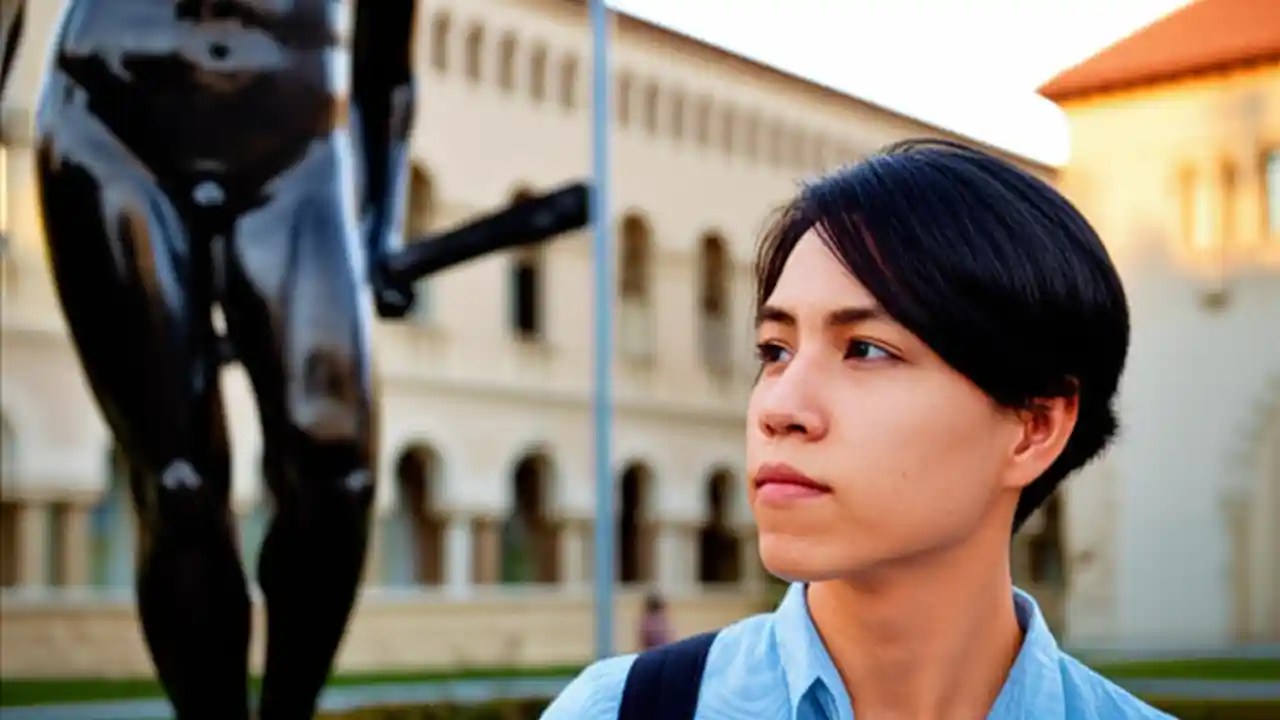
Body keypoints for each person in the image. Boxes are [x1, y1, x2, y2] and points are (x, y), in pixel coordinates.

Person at [542, 139, 1172, 719]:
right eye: (775, 350)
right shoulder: (620, 711)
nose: (778, 407)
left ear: (1033, 428)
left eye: (866, 349)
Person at [21, 1, 418, 717]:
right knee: (178, 483)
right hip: (110, 127)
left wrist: (378, 225)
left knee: (338, 470)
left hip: (299, 151)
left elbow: (386, 72)